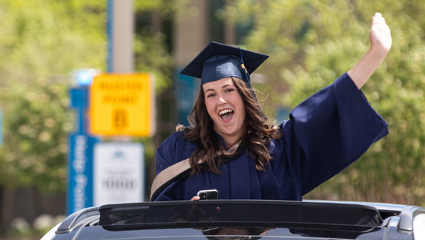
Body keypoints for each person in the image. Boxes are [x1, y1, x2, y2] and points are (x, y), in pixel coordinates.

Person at [152, 13, 391, 201]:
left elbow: (325, 107)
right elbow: (160, 222)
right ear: (204, 104)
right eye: (211, 94)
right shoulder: (180, 151)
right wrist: (187, 216)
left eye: (228, 90)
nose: (220, 100)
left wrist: (376, 54)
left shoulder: (281, 151)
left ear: (245, 95)